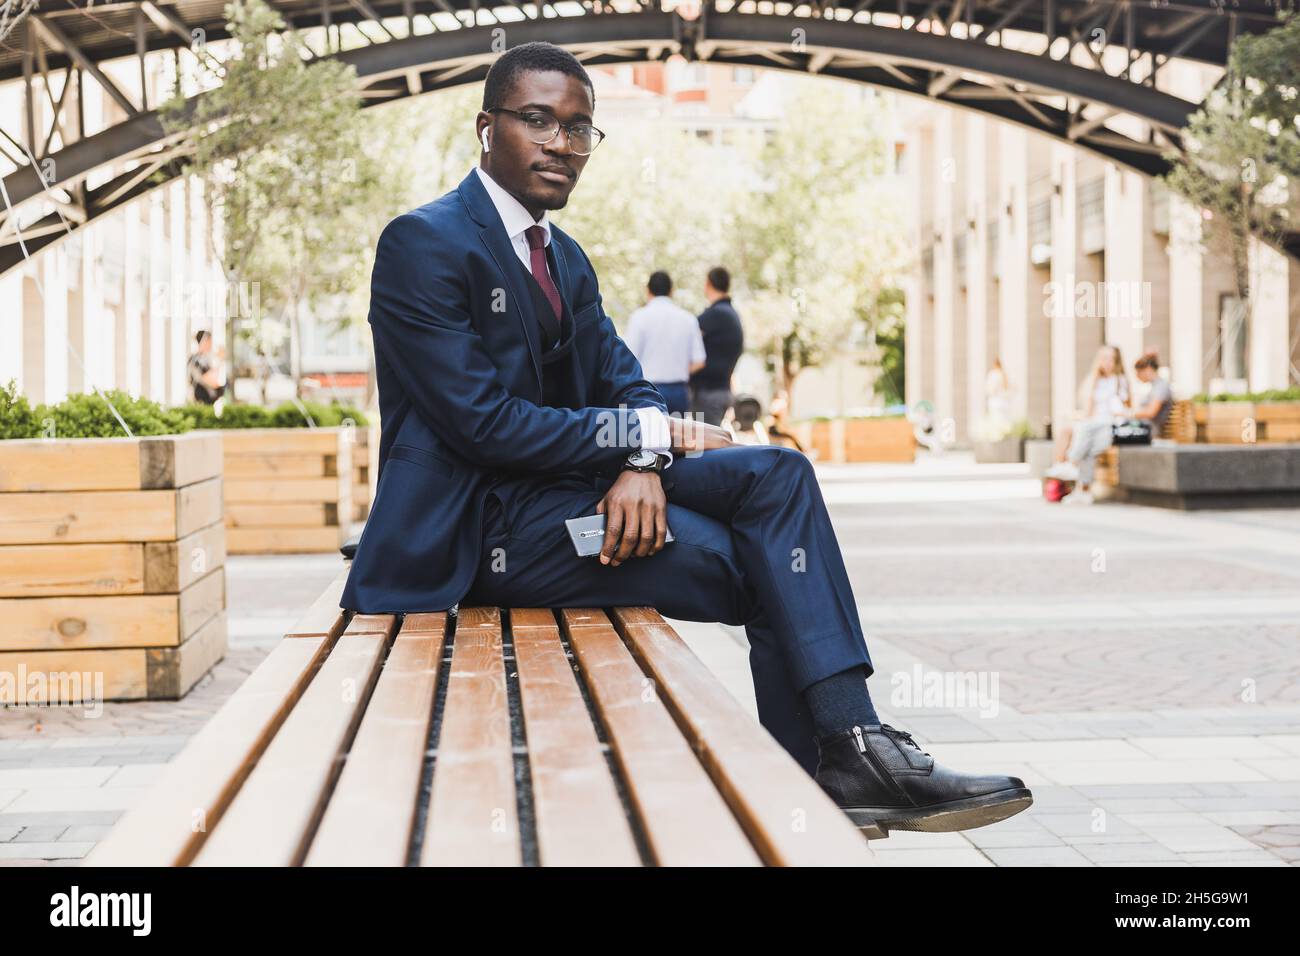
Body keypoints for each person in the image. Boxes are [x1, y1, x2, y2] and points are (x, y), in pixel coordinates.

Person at [341, 41, 1030, 835]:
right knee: (763, 567)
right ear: (486, 126)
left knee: (778, 474)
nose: (562, 144)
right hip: (474, 536)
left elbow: (626, 384)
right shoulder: (423, 243)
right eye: (538, 121)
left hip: (564, 503)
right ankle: (818, 782)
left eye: (579, 128)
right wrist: (637, 436)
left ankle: (853, 743)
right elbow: (482, 423)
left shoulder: (564, 260)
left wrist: (642, 457)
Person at [1045, 344, 1131, 504]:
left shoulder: (1120, 381)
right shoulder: (1094, 380)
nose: (1106, 362)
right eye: (1103, 358)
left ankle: (1070, 463)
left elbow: (1126, 409)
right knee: (1088, 447)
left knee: (1085, 430)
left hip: (1110, 424)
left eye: (1110, 359)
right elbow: (1089, 411)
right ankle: (1083, 491)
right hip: (1094, 424)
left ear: (1116, 361)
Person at [622, 271, 705, 416]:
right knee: (678, 437)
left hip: (648, 391)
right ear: (671, 291)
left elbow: (629, 357)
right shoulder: (688, 319)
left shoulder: (639, 318)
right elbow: (699, 361)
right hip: (679, 391)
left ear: (648, 291)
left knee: (652, 437)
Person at [691, 267, 745, 426]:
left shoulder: (716, 314)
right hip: (721, 389)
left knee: (704, 446)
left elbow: (689, 333)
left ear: (708, 284)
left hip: (709, 393)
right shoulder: (731, 314)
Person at [1128, 351, 1173, 437]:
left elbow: (1151, 412)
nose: (1137, 376)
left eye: (1138, 372)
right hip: (1144, 427)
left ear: (1148, 369)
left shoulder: (1161, 386)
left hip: (1149, 430)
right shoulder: (1155, 386)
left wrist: (1129, 413)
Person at [187, 330, 225, 405]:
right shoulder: (196, 360)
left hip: (207, 401)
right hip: (200, 402)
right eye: (209, 341)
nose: (211, 344)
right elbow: (210, 381)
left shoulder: (206, 359)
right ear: (203, 342)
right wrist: (220, 361)